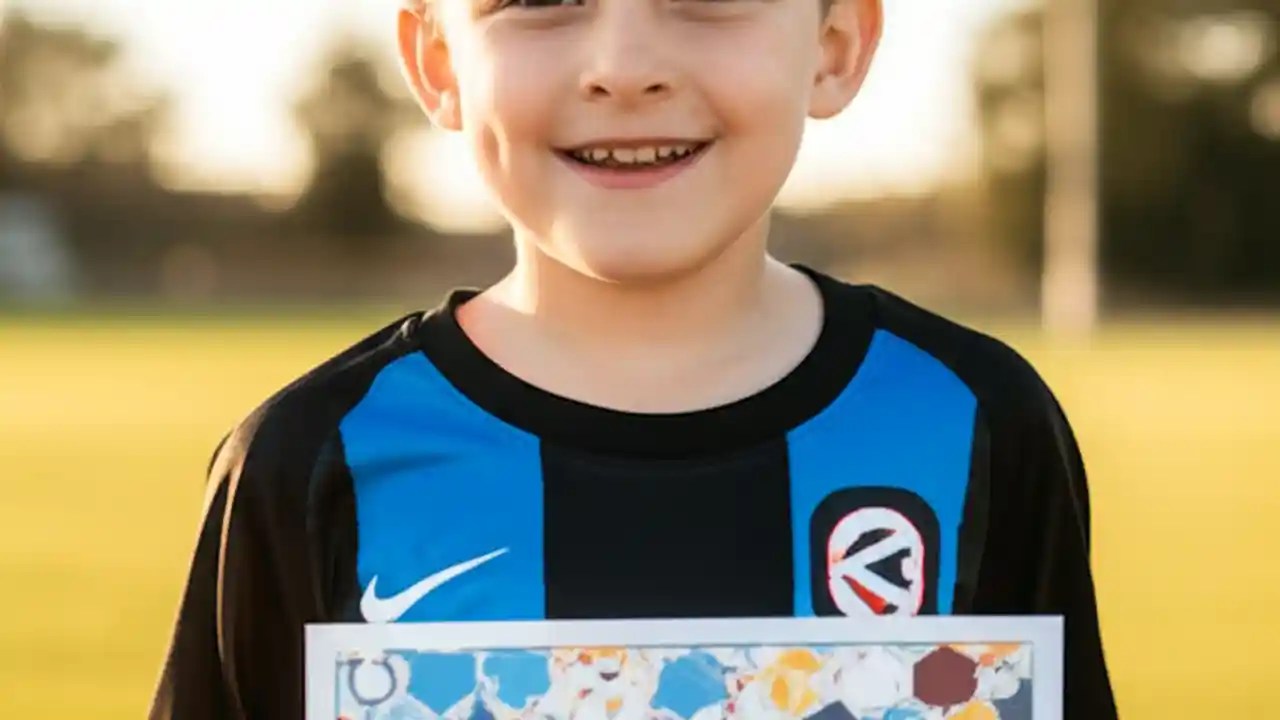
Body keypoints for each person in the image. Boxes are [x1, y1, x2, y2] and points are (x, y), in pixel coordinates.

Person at [148, 0, 1118, 717]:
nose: (622, 67)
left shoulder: (971, 423)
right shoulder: (314, 459)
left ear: (833, 46)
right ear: (437, 62)